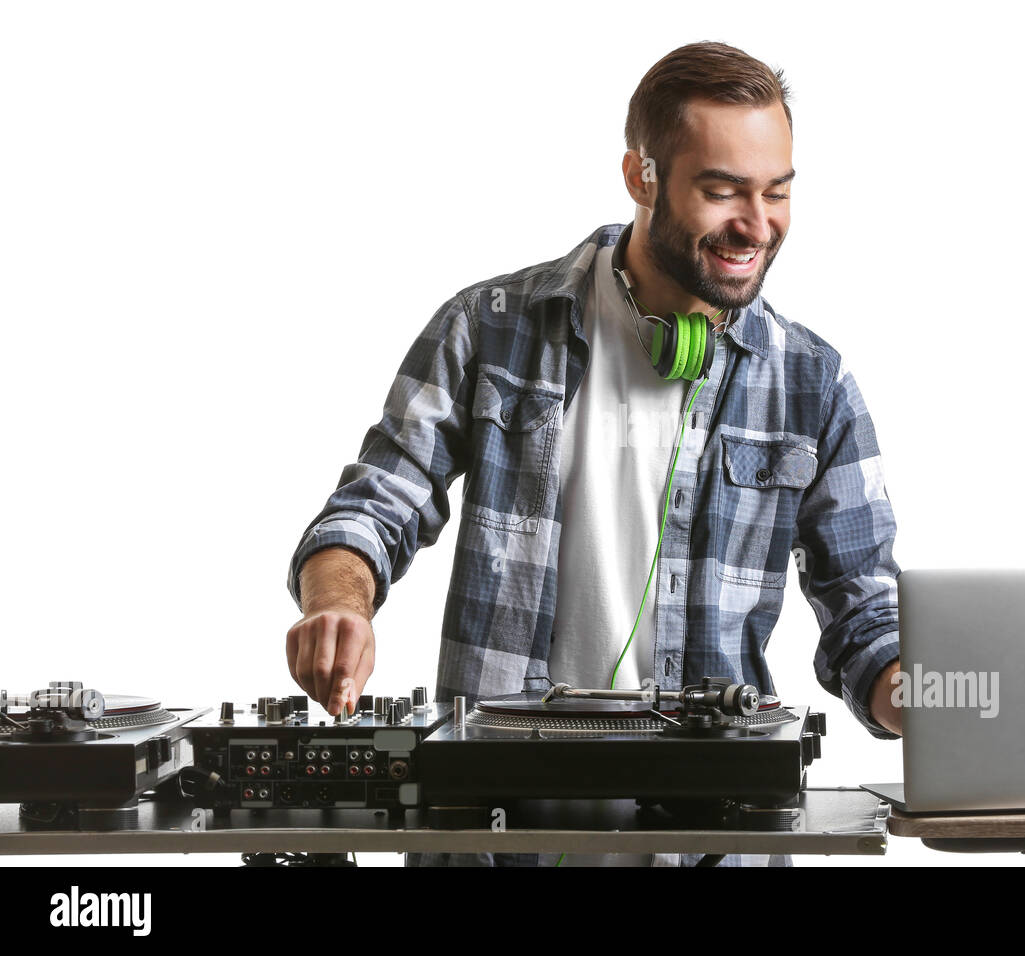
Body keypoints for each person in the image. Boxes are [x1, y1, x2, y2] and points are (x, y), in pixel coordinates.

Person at [285, 41, 903, 867]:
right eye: (722, 191)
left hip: (715, 845)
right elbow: (374, 506)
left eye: (777, 192)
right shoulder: (489, 327)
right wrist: (340, 606)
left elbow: (865, 608)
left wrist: (917, 693)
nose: (757, 225)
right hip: (496, 836)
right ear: (641, 176)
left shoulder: (813, 384)